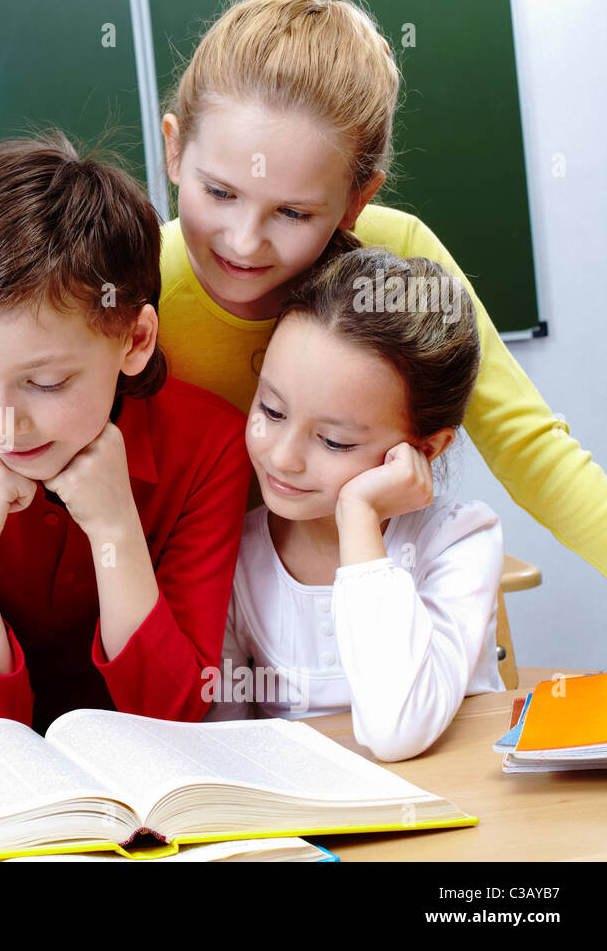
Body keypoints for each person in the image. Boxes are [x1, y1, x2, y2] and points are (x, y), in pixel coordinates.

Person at [157, 0, 607, 575]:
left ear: (356, 201)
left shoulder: (394, 258)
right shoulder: (132, 281)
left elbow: (529, 447)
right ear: (174, 149)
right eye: (220, 193)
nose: (244, 242)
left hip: (355, 595)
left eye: (293, 213)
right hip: (195, 610)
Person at [0, 133, 252, 733]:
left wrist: (115, 528)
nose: (2, 424)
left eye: (47, 382)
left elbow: (172, 713)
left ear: (134, 341)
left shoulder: (210, 448)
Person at [212, 248, 504, 761]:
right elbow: (226, 744)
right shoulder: (236, 553)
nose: (281, 457)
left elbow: (397, 731)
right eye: (271, 409)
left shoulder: (460, 542)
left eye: (334, 442)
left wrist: (360, 519)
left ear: (426, 449)